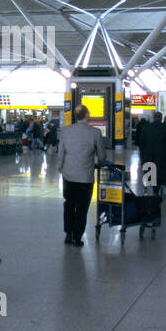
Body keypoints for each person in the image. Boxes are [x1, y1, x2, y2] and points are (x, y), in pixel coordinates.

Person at [57, 104, 105, 246]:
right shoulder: (95, 132)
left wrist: (61, 168)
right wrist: (100, 163)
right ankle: (78, 237)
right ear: (87, 115)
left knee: (69, 205)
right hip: (85, 177)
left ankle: (68, 234)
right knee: (82, 207)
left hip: (69, 176)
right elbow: (101, 155)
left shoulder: (66, 131)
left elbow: (61, 153)